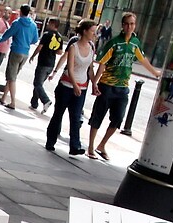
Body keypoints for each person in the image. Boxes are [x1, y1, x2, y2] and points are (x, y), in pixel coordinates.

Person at [86, 12, 161, 161]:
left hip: (122, 87)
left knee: (118, 118)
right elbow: (102, 63)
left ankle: (102, 145)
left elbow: (142, 59)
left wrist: (155, 72)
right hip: (107, 85)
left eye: (132, 24)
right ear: (122, 25)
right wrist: (95, 83)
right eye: (127, 24)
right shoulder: (114, 42)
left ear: (135, 25)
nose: (129, 27)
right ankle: (90, 147)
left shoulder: (135, 43)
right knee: (97, 117)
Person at [45, 19, 96, 156]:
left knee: (75, 116)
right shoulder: (74, 47)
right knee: (58, 114)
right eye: (92, 31)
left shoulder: (92, 47)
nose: (94, 34)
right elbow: (71, 68)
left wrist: (94, 84)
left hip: (82, 87)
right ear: (85, 31)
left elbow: (90, 69)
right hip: (66, 86)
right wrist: (74, 85)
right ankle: (50, 141)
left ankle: (75, 146)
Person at [0, 3, 38, 110]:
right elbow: (35, 39)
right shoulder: (33, 25)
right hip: (25, 53)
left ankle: (13, 102)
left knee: (11, 78)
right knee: (12, 76)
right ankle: (4, 97)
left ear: (21, 12)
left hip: (16, 51)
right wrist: (27, 42)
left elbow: (7, 35)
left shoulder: (17, 23)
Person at [28, 16, 64, 114]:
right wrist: (52, 50)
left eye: (48, 23)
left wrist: (33, 56)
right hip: (51, 63)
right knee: (39, 83)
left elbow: (40, 47)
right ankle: (34, 103)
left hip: (43, 62)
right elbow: (60, 52)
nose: (47, 24)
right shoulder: (59, 37)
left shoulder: (47, 34)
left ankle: (46, 100)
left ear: (53, 24)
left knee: (37, 83)